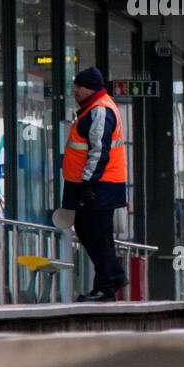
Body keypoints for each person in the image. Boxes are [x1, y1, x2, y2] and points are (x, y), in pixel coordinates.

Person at [59, 67, 128, 302]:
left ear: (91, 88)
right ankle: (114, 276)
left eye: (79, 85)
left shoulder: (100, 110)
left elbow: (99, 151)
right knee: (93, 233)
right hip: (95, 183)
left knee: (95, 234)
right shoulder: (92, 109)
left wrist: (89, 182)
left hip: (99, 184)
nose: (75, 89)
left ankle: (106, 286)